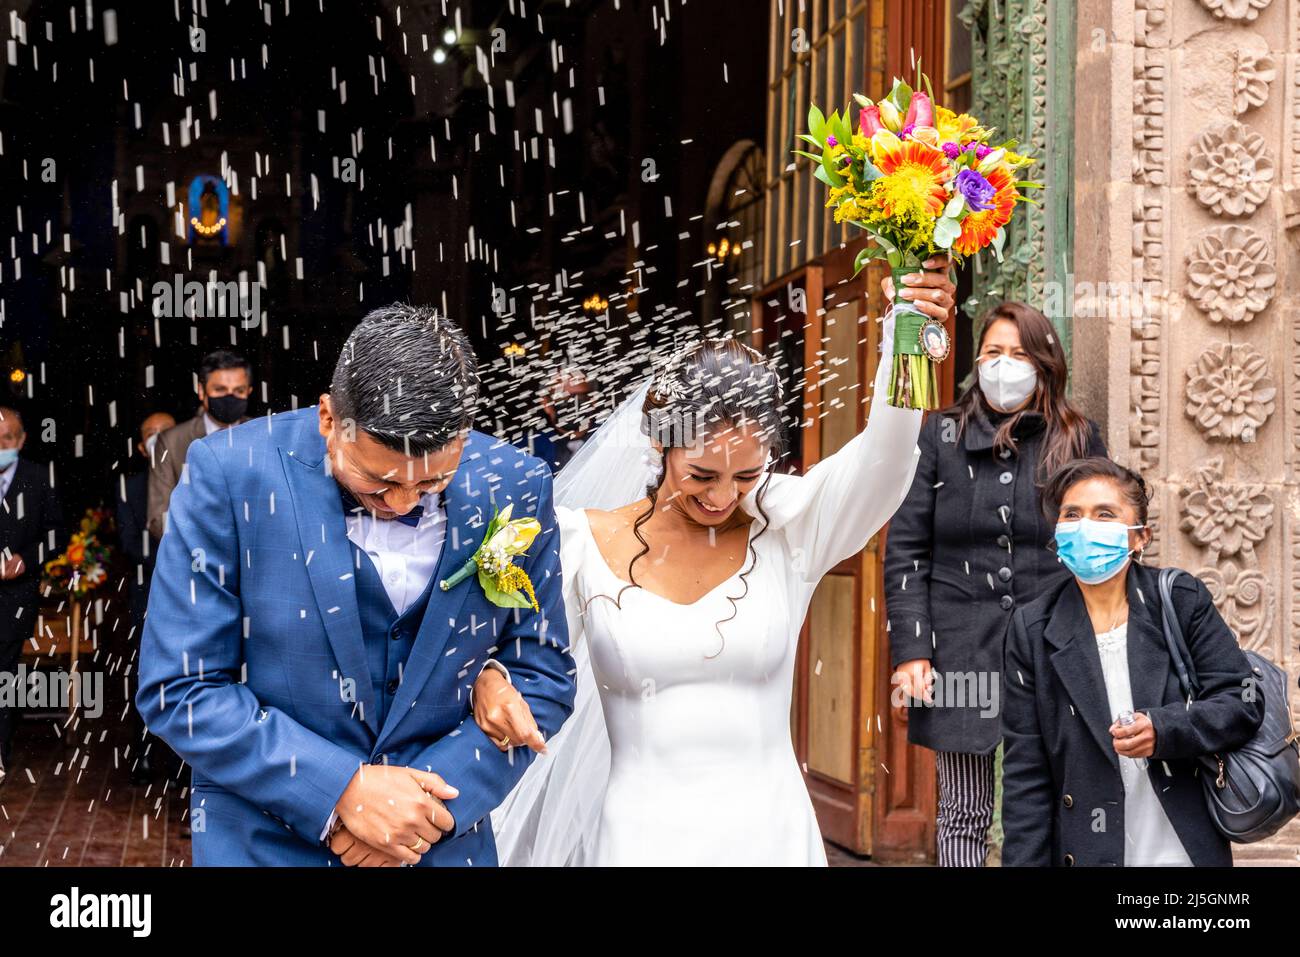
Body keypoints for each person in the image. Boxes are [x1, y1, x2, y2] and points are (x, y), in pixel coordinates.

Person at [480, 261, 956, 865]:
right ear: (659, 443)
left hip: (771, 836)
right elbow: (521, 661)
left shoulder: (790, 533)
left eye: (747, 475)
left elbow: (887, 457)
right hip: (639, 841)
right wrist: (492, 677)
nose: (723, 496)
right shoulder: (580, 544)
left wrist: (908, 332)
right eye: (701, 474)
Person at [136, 306, 576, 866]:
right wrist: (340, 792)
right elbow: (182, 687)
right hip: (267, 844)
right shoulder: (230, 472)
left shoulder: (514, 482)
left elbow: (544, 675)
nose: (402, 502)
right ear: (328, 419)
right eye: (379, 480)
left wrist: (417, 810)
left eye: (433, 481)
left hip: (440, 844)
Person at [883, 301, 1106, 867]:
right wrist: (912, 652)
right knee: (962, 811)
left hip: (1056, 647)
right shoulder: (941, 435)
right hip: (960, 649)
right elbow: (908, 548)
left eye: (1020, 354)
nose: (1004, 366)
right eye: (993, 353)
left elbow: (1101, 545)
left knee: (1060, 802)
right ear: (975, 361)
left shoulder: (1077, 437)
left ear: (1045, 365)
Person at [1002, 457, 1265, 866]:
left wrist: (1165, 729)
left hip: (1181, 846)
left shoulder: (1179, 600)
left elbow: (1243, 699)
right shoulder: (1032, 627)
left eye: (1104, 514)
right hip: (1087, 849)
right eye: (1072, 514)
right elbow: (1026, 775)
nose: (1085, 526)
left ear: (1139, 537)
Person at [0, 405, 63, 785]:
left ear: (21, 441)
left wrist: (27, 558)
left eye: (7, 438)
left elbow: (55, 534)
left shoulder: (39, 479)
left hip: (11, 600)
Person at [115, 411, 175, 785]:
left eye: (166, 433)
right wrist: (183, 557)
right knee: (147, 674)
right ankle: (145, 757)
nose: (159, 440)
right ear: (141, 447)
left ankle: (184, 766)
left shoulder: (198, 477)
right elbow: (130, 543)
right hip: (148, 594)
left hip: (199, 598)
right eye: (151, 435)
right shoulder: (130, 486)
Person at [146, 350, 253, 541]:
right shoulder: (172, 442)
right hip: (197, 563)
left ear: (249, 392)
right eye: (220, 389)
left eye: (238, 391)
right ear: (202, 391)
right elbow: (159, 519)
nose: (230, 397)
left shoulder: (263, 436)